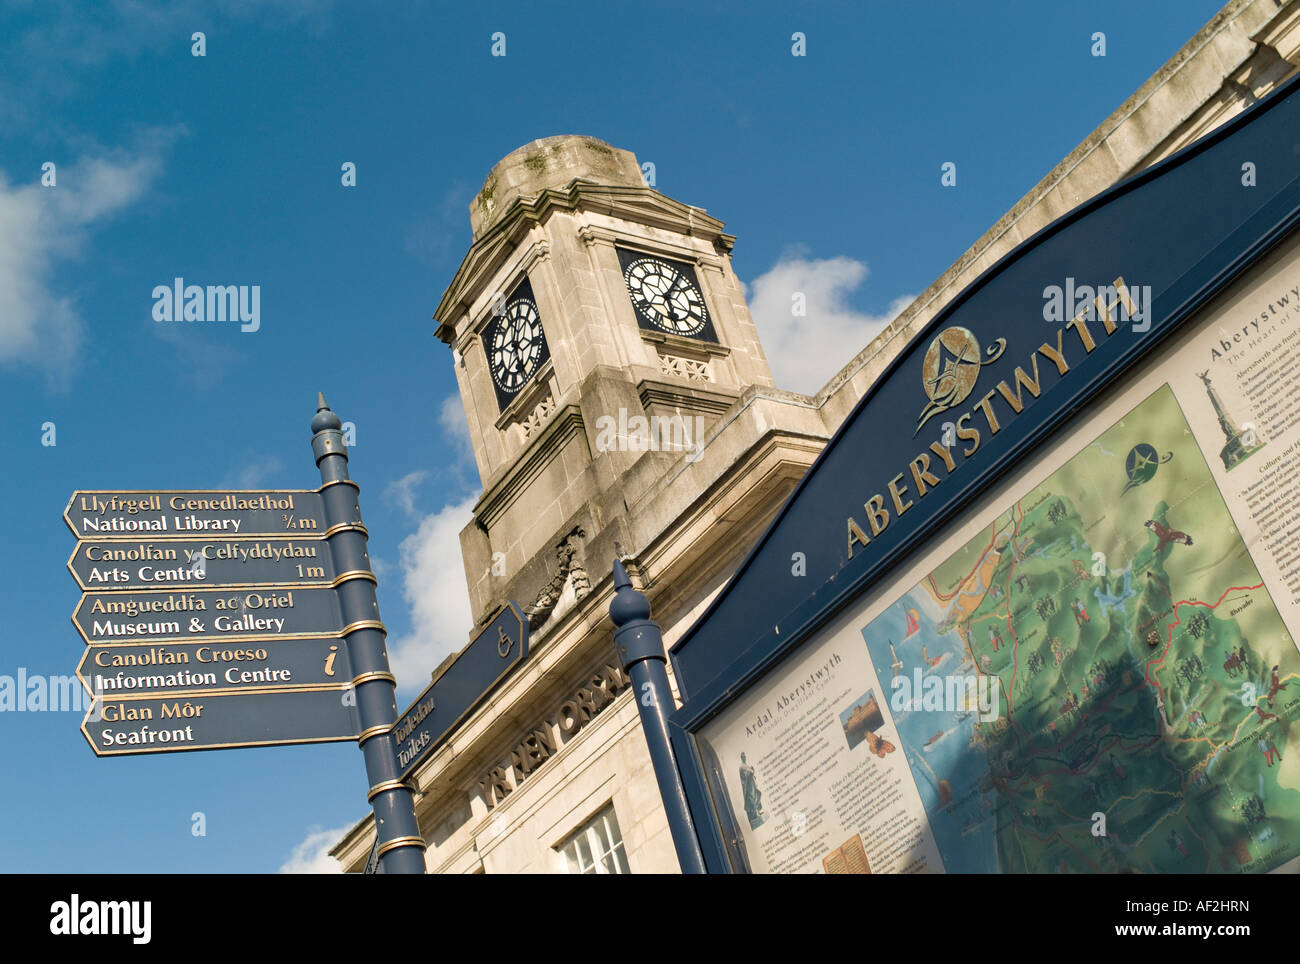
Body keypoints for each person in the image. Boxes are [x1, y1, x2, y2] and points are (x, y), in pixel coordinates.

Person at [739, 753, 764, 828]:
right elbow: (744, 777)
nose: (744, 758)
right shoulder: (742, 767)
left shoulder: (746, 765)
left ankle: (758, 811)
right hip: (748, 786)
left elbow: (751, 773)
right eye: (743, 757)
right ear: (741, 758)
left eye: (745, 756)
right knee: (752, 799)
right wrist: (750, 772)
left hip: (752, 784)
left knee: (758, 794)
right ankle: (755, 815)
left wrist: (752, 772)